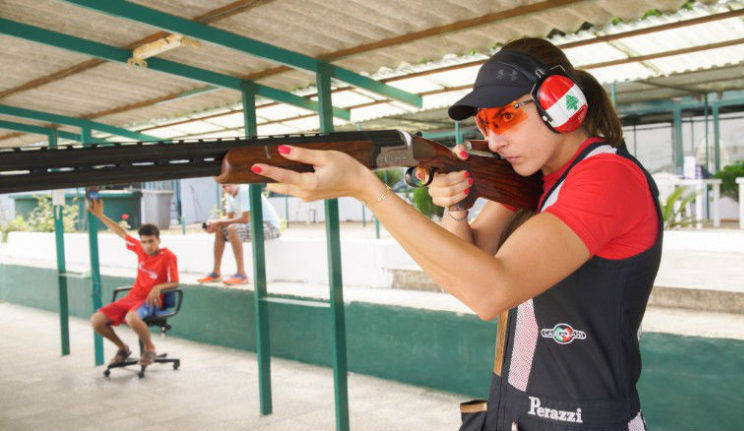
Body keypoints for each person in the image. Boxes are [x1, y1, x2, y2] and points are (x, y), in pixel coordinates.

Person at [250, 37, 662, 431]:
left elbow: (490, 292)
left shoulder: (608, 177)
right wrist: (458, 210)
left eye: (506, 117)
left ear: (559, 103)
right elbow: (466, 271)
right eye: (485, 122)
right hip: (514, 410)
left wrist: (366, 189)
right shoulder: (537, 182)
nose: (495, 139)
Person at [87, 198, 179, 368]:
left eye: (151, 241)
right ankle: (123, 349)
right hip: (132, 298)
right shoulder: (139, 249)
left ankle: (150, 348)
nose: (147, 246)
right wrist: (100, 215)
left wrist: (158, 287)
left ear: (158, 240)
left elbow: (175, 283)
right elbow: (121, 232)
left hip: (151, 301)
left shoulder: (168, 256)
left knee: (131, 317)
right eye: (144, 242)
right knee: (96, 321)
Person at [197, 184, 281, 285]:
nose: (227, 189)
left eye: (229, 185)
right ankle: (216, 273)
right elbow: (229, 218)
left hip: (270, 226)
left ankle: (242, 275)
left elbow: (245, 219)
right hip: (254, 226)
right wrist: (214, 224)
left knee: (232, 228)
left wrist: (218, 222)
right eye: (224, 187)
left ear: (236, 183)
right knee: (220, 228)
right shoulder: (229, 196)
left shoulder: (245, 191)